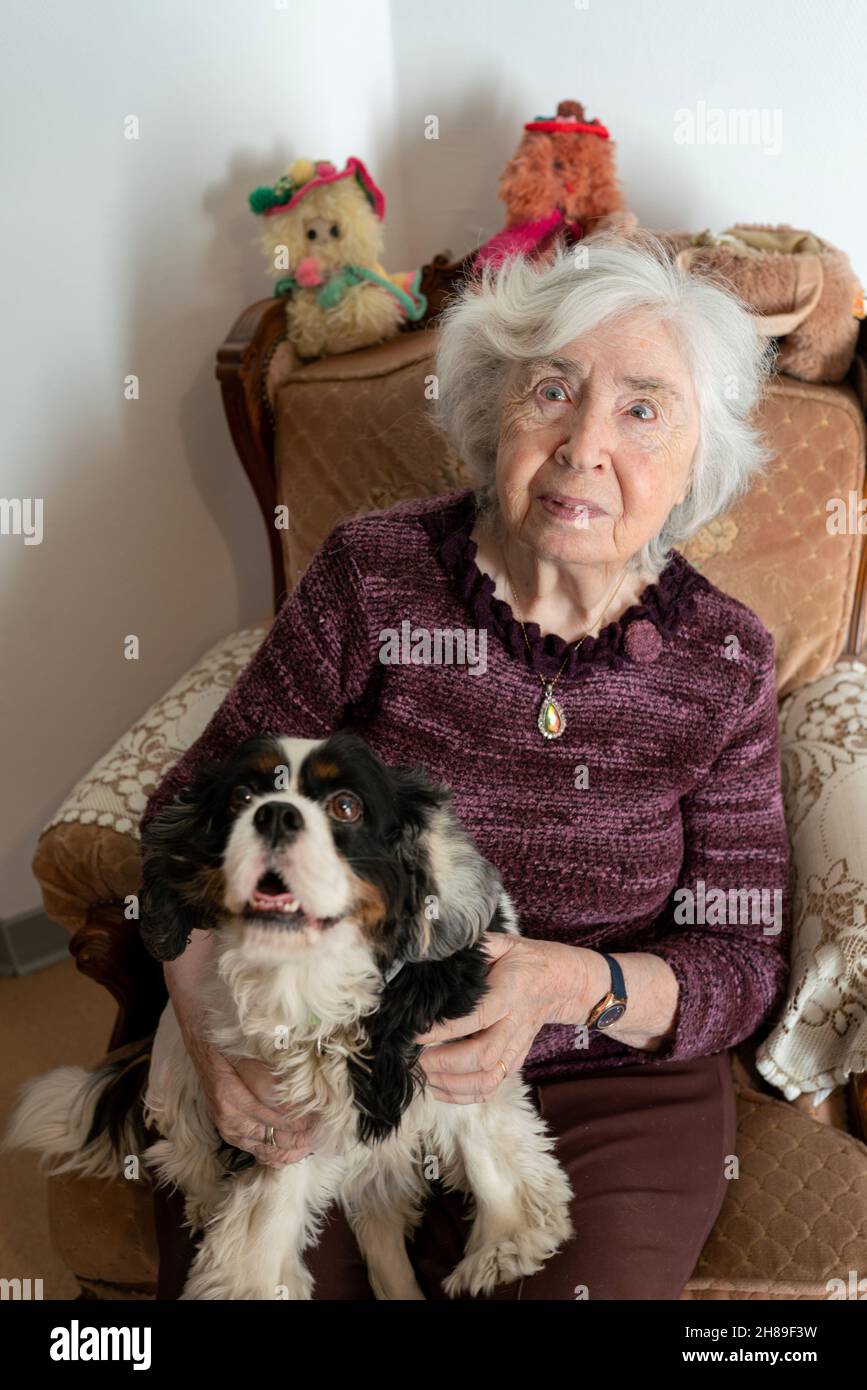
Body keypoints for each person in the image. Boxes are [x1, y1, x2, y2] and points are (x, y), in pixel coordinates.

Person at [141, 231, 790, 1299]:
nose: (585, 445)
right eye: (552, 391)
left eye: (642, 409)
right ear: (496, 414)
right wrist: (214, 1047)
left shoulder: (723, 661)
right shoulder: (374, 576)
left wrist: (570, 982)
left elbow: (742, 958)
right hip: (323, 1029)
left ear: (694, 467)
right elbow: (188, 817)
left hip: (601, 1078)